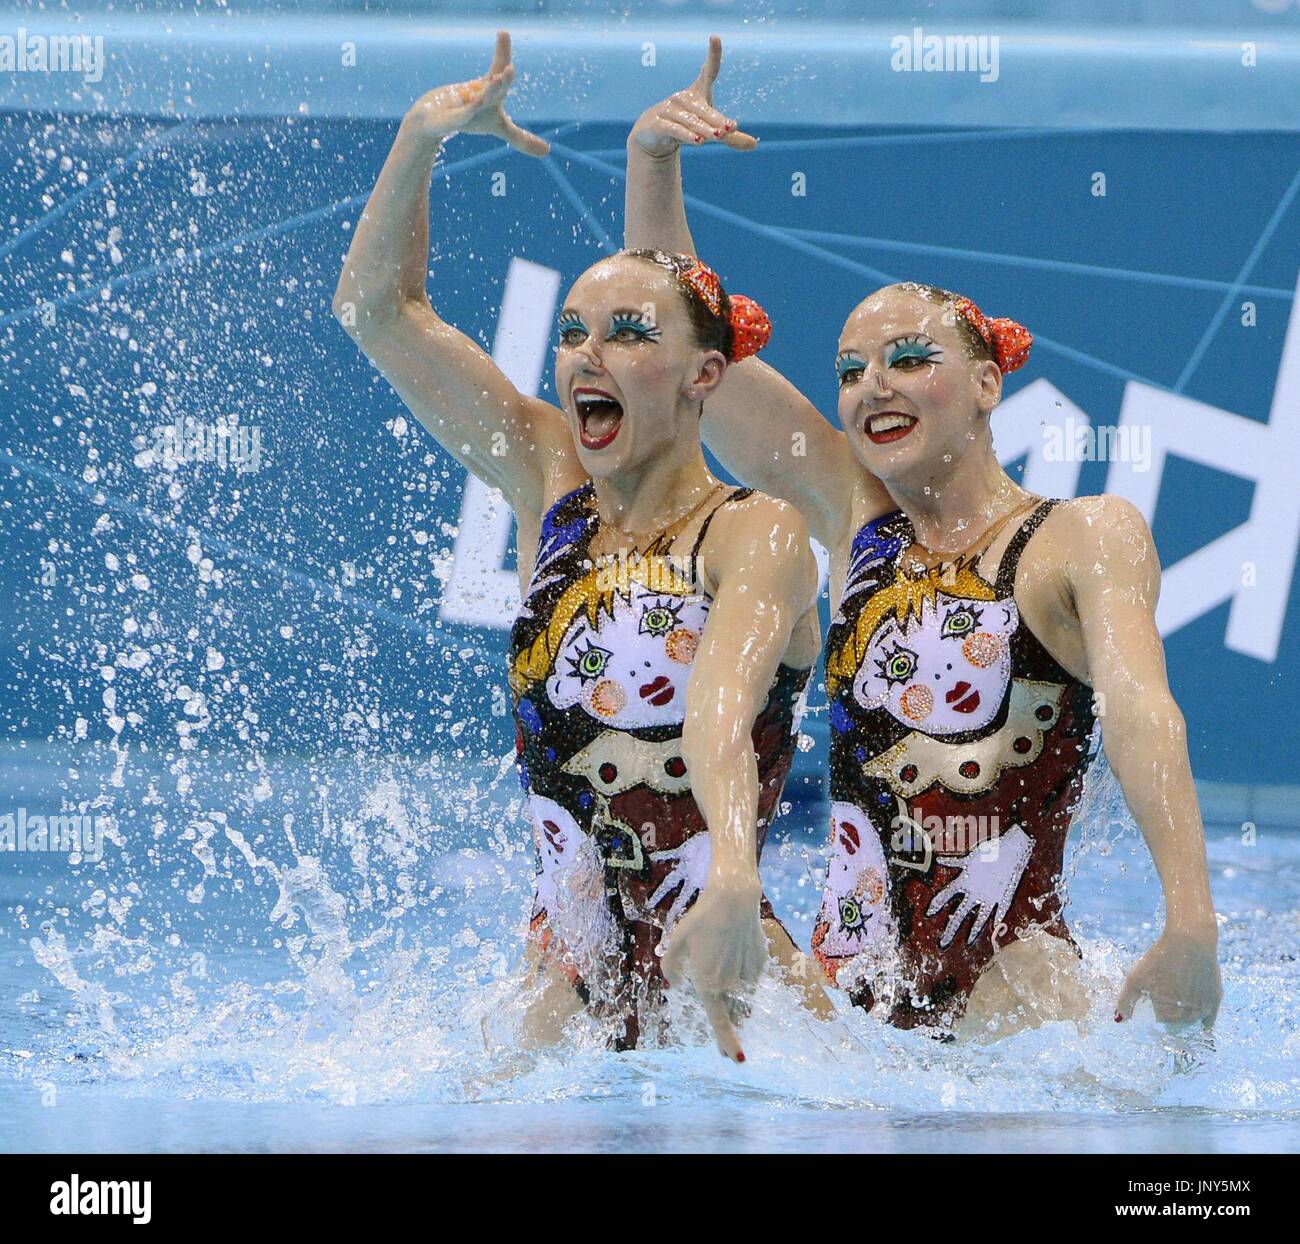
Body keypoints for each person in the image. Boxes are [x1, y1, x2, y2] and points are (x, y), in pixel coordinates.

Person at [623, 36, 1222, 1038]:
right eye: (851, 369)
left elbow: (1142, 712)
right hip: (844, 1003)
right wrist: (652, 165)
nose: (871, 387)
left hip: (1011, 993)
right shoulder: (855, 518)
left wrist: (1191, 918)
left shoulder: (1078, 536)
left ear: (988, 382)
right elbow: (694, 360)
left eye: (908, 359)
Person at [333, 32, 827, 1059]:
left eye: (628, 333)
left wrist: (734, 865)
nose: (585, 354)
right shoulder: (548, 480)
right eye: (570, 331)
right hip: (563, 970)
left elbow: (723, 711)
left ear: (704, 378)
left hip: (732, 965)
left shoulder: (756, 530)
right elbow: (376, 312)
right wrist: (421, 139)